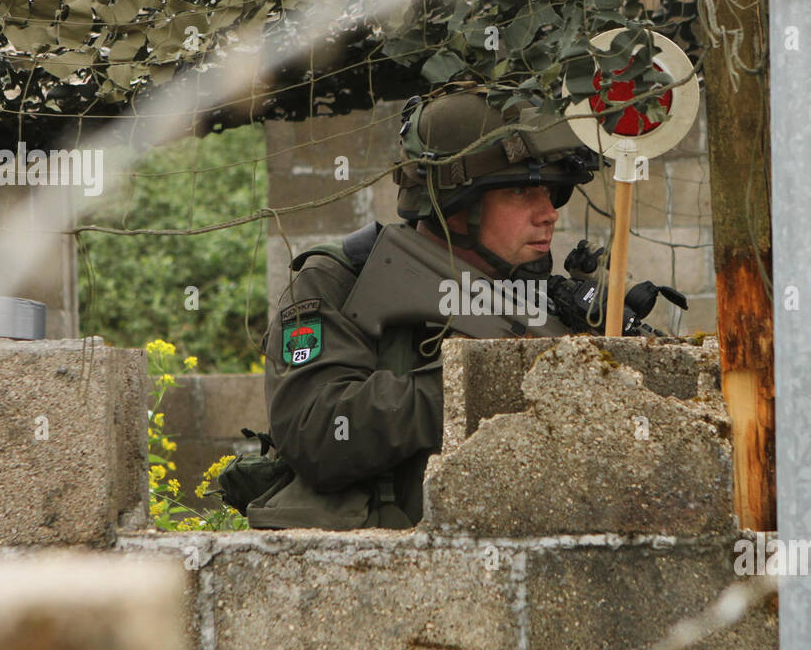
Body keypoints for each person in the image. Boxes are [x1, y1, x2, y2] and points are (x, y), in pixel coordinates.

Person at [252, 85, 600, 530]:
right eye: (520, 192)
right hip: (376, 568)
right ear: (456, 206)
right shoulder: (340, 281)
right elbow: (316, 432)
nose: (547, 213)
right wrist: (477, 381)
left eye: (552, 193)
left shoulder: (535, 298)